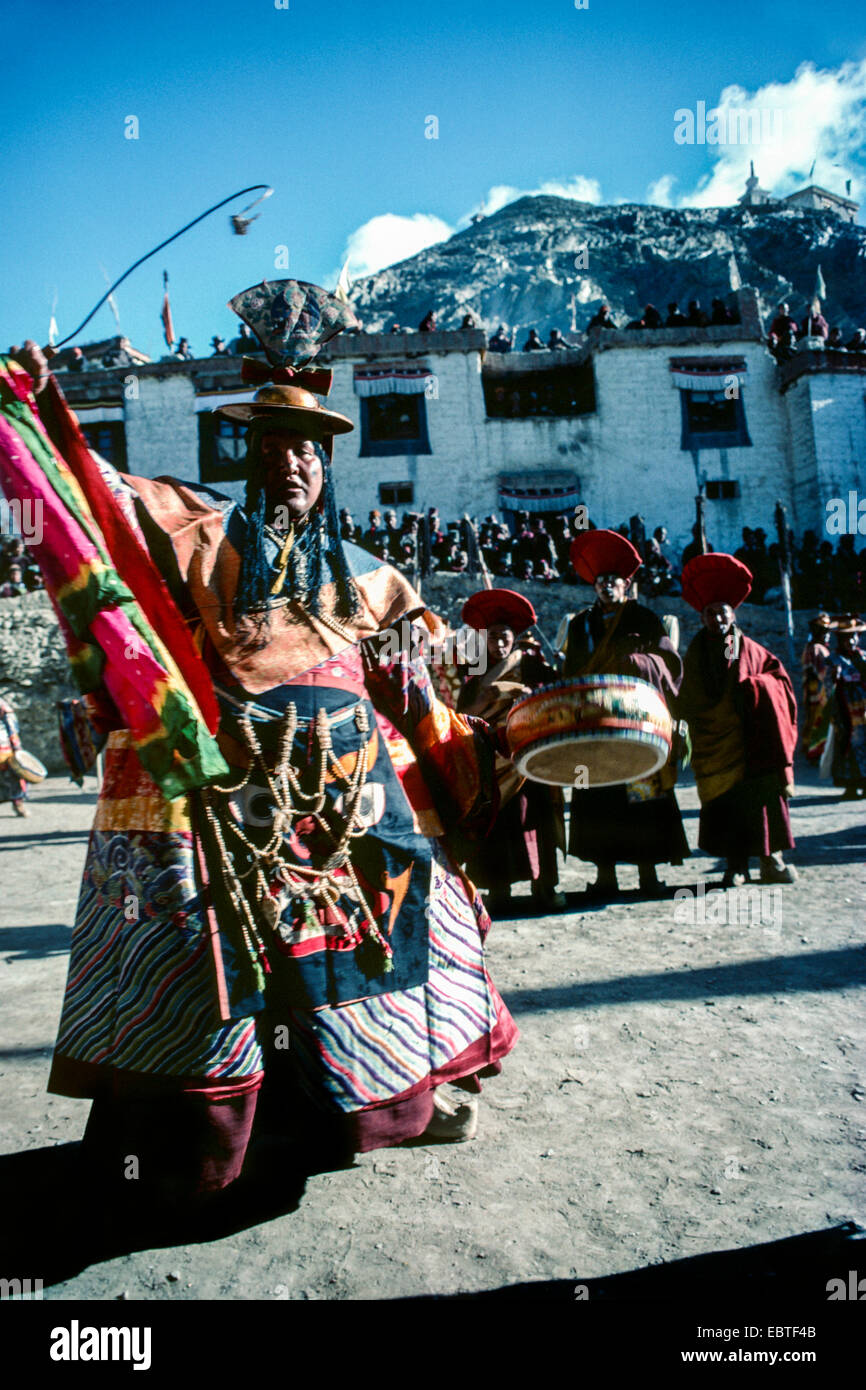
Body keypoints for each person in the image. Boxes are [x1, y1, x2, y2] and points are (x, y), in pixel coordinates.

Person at [8, 285, 517, 1211]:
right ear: (249, 452)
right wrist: (47, 411)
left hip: (352, 804)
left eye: (308, 448)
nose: (291, 463)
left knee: (394, 929)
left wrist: (471, 753)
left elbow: (413, 693)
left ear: (328, 462)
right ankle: (191, 1143)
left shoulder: (373, 578)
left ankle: (390, 1099)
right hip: (234, 803)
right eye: (274, 444)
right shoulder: (195, 540)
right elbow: (99, 501)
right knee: (212, 962)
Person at [562, 530, 689, 898]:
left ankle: (648, 874)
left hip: (637, 723)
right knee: (600, 797)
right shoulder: (580, 624)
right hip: (597, 726)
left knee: (643, 796)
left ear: (626, 584)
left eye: (614, 580)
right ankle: (606, 876)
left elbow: (669, 663)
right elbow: (570, 672)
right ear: (593, 586)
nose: (607, 587)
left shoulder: (644, 619)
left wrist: (635, 662)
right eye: (600, 581)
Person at [677, 553, 798, 887]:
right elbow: (687, 695)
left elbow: (780, 683)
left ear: (734, 613)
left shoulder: (753, 651)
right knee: (725, 806)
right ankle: (736, 865)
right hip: (715, 745)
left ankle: (772, 861)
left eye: (722, 612)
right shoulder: (697, 652)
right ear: (701, 617)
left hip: (752, 741)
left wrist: (757, 689)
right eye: (710, 613)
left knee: (760, 803)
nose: (717, 618)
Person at [457, 589, 565, 913]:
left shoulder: (531, 662)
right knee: (495, 822)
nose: (499, 643)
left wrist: (531, 695)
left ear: (514, 637)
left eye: (505, 636)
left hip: (529, 755)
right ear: (484, 639)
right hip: (491, 755)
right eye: (492, 637)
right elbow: (462, 708)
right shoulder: (473, 667)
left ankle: (545, 888)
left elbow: (554, 692)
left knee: (536, 819)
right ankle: (497, 891)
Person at [821, 615, 866, 799]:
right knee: (847, 747)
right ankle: (850, 785)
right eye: (847, 638)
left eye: (854, 636)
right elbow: (826, 687)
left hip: (863, 710)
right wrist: (833, 678)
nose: (852, 641)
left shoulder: (863, 657)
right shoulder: (832, 660)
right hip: (844, 711)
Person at [801, 613, 833, 763]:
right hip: (816, 691)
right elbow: (819, 672)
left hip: (819, 690)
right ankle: (814, 751)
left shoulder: (819, 648)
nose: (828, 636)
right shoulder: (815, 649)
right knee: (816, 720)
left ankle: (815, 748)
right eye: (825, 633)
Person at [0, 696, 30, 817]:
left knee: (14, 775)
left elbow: (10, 722)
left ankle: (18, 804)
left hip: (2, 746)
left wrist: (15, 743)